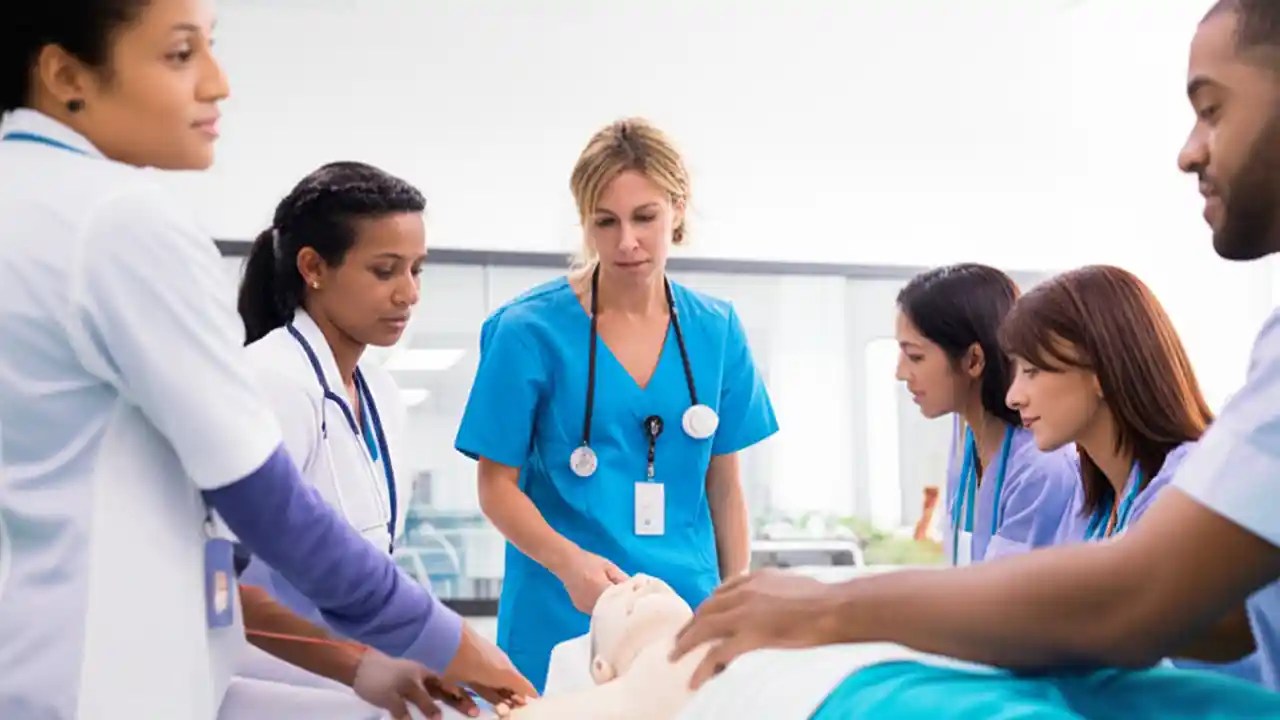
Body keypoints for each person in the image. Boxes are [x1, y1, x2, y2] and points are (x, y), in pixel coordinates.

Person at [669, 0, 1280, 695]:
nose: (1189, 149)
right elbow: (1205, 618)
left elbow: (1137, 604)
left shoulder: (1098, 475)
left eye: (1213, 109)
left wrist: (829, 609)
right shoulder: (1072, 486)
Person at [0, 3, 529, 717]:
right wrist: (445, 641)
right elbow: (268, 515)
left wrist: (362, 665)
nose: (218, 84)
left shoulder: (29, 203)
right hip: (94, 686)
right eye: (181, 54)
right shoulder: (119, 220)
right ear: (65, 73)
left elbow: (208, 567)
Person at [454, 117, 779, 691]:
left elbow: (724, 485)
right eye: (605, 221)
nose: (626, 241)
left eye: (645, 217)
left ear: (678, 210)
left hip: (685, 615)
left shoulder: (716, 331)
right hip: (560, 611)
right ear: (586, 224)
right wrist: (568, 563)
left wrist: (736, 604)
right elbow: (495, 486)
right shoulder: (527, 330)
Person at [497, 574, 1280, 719]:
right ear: (601, 660)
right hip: (837, 699)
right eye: (619, 601)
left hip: (899, 655)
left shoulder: (760, 608)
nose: (635, 580)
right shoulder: (618, 689)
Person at [895, 264, 1076, 565]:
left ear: (974, 360)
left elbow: (1008, 599)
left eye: (915, 356)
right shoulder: (965, 432)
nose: (900, 372)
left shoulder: (1042, 467)